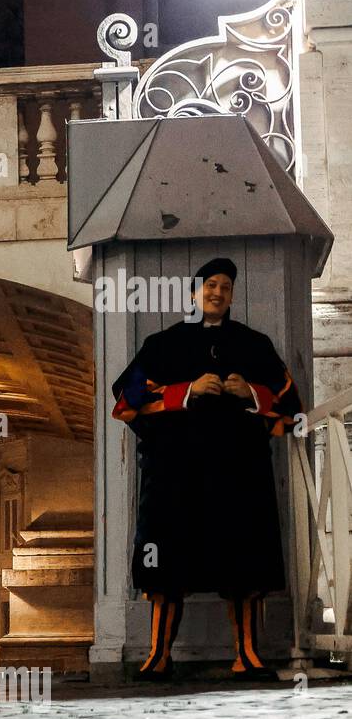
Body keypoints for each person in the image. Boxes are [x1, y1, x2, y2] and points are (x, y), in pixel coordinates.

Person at [111, 257, 302, 682]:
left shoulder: (254, 344)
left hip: (240, 473)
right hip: (173, 474)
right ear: (194, 293)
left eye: (226, 287)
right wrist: (185, 391)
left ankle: (247, 655)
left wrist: (250, 391)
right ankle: (158, 655)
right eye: (210, 285)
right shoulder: (162, 345)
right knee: (165, 562)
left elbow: (292, 405)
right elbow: (126, 397)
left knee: (245, 559)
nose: (218, 292)